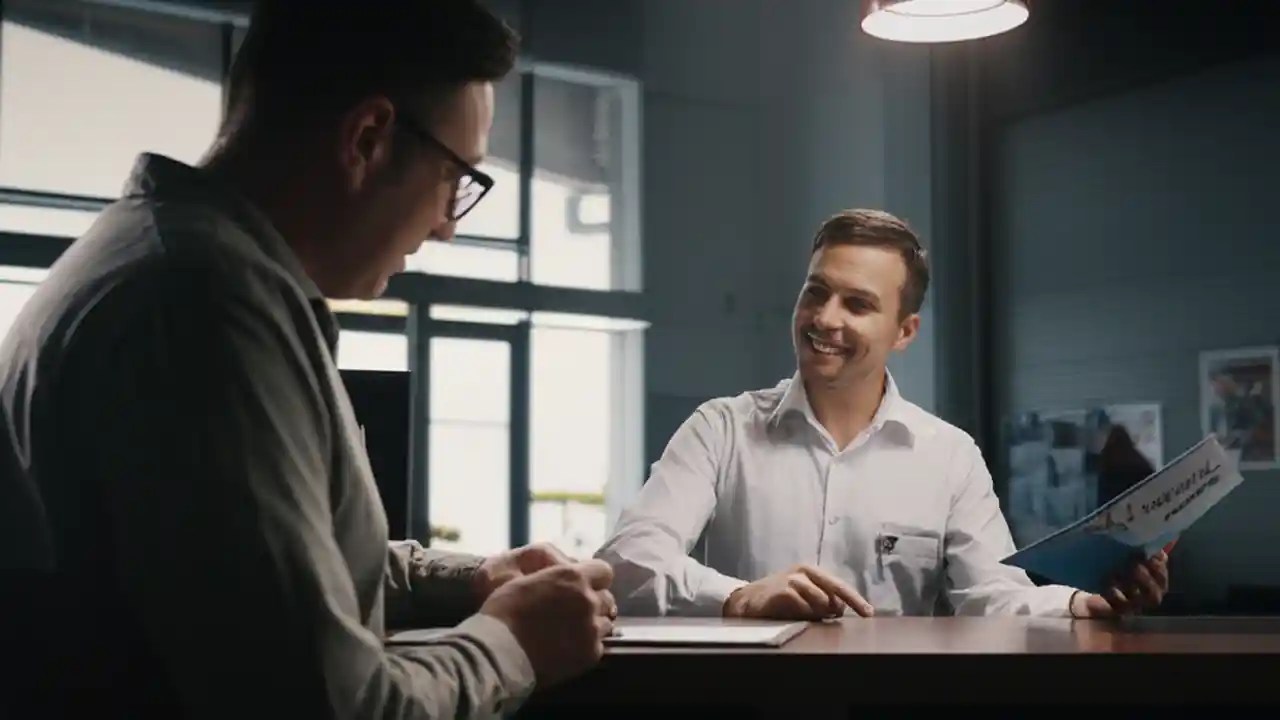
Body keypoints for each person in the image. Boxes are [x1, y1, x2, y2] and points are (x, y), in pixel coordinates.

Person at [0, 2, 615, 718]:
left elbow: (259, 572)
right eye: (457, 179)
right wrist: (511, 644)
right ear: (368, 137)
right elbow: (330, 705)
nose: (448, 225)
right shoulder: (204, 311)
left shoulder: (161, 262)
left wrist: (477, 579)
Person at [596, 209, 1171, 621]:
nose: (825, 318)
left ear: (904, 332)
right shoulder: (720, 430)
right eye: (816, 293)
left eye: (858, 304)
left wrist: (1084, 603)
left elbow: (993, 596)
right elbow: (627, 562)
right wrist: (736, 596)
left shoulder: (949, 456)